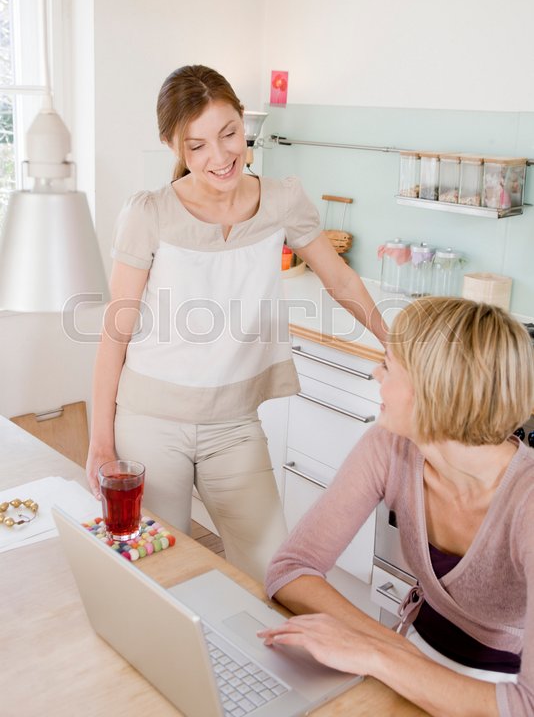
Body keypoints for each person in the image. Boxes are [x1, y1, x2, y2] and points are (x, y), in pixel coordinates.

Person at [86, 64, 387, 581]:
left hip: (234, 425)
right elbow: (117, 330)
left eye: (229, 135)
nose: (220, 157)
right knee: (158, 573)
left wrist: (394, 343)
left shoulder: (282, 200)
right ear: (173, 146)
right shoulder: (149, 214)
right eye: (196, 145)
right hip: (150, 422)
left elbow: (340, 279)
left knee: (273, 572)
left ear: (244, 122)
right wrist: (100, 439)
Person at [261, 297, 534, 716]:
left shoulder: (526, 503)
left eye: (388, 364)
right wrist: (386, 650)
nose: (375, 372)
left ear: (433, 390)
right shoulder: (390, 446)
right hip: (411, 651)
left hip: (498, 690)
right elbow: (290, 569)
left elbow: (524, 705)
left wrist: (379, 655)